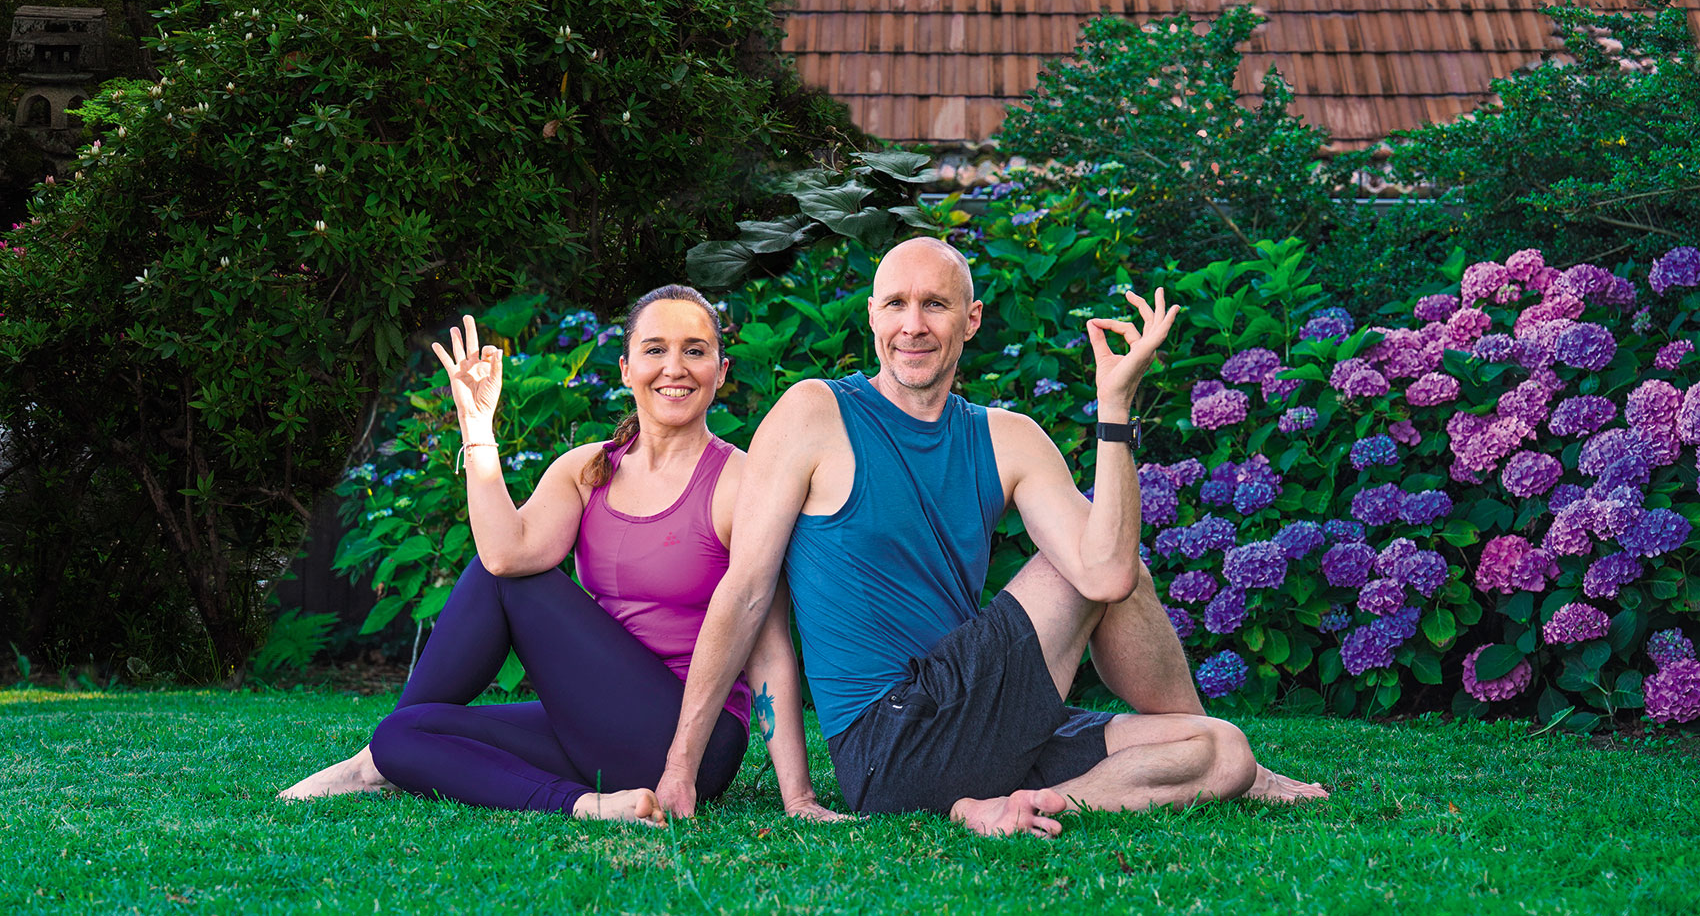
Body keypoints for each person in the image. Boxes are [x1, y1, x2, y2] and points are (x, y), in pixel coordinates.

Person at [654, 238, 1328, 836]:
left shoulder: (1008, 438)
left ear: (971, 320)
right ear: (871, 316)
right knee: (1092, 565)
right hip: (889, 744)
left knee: (1222, 751)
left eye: (935, 305)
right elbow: (746, 593)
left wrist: (1114, 408)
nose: (913, 325)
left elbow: (1112, 569)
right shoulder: (813, 412)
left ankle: (1012, 804)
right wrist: (683, 766)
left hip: (981, 727)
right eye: (895, 304)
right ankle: (983, 798)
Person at [279, 285, 840, 825]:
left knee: (506, 580)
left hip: (695, 739)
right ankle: (572, 802)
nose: (675, 367)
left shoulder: (741, 483)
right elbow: (504, 552)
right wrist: (477, 429)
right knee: (402, 735)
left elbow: (766, 646)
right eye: (655, 350)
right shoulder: (586, 470)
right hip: (596, 727)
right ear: (625, 369)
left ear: (720, 371)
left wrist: (799, 796)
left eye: (695, 351)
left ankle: (373, 765)